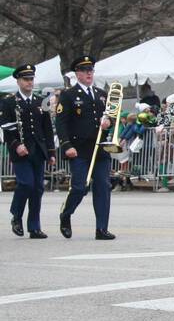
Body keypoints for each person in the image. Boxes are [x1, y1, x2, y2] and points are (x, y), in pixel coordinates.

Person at [55, 55, 115, 240]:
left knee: (103, 186)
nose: (89, 73)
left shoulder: (101, 94)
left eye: (91, 70)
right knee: (80, 187)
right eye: (84, 70)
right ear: (77, 74)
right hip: (79, 148)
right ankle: (66, 214)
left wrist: (108, 122)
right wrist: (66, 145)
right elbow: (61, 123)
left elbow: (111, 117)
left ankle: (101, 229)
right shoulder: (68, 95)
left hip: (100, 148)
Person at [3, 64, 54, 237]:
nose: (29, 82)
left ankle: (34, 226)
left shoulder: (41, 101)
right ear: (18, 81)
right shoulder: (9, 102)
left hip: (38, 150)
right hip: (21, 151)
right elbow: (7, 128)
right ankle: (16, 215)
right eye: (26, 79)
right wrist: (17, 144)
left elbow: (47, 128)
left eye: (31, 79)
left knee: (37, 188)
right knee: (26, 183)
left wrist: (51, 152)